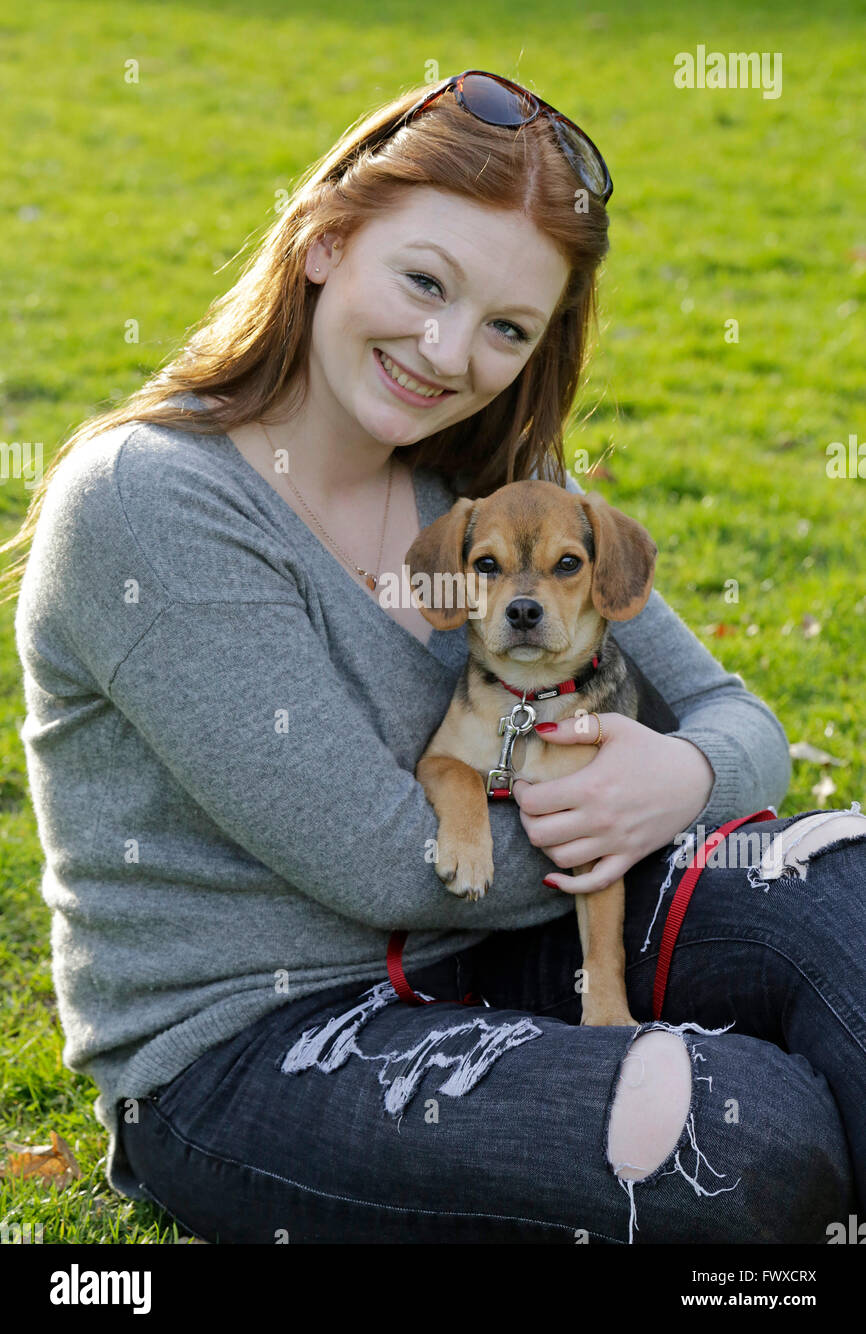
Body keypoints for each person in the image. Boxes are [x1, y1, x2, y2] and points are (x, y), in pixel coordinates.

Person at [5, 71, 865, 1245]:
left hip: (518, 946)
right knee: (733, 1134)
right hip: (257, 1044)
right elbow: (385, 858)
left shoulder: (501, 494)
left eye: (506, 328)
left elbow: (732, 721)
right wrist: (617, 830)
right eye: (422, 282)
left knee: (842, 902)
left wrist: (676, 781)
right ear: (323, 240)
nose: (447, 351)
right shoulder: (147, 504)